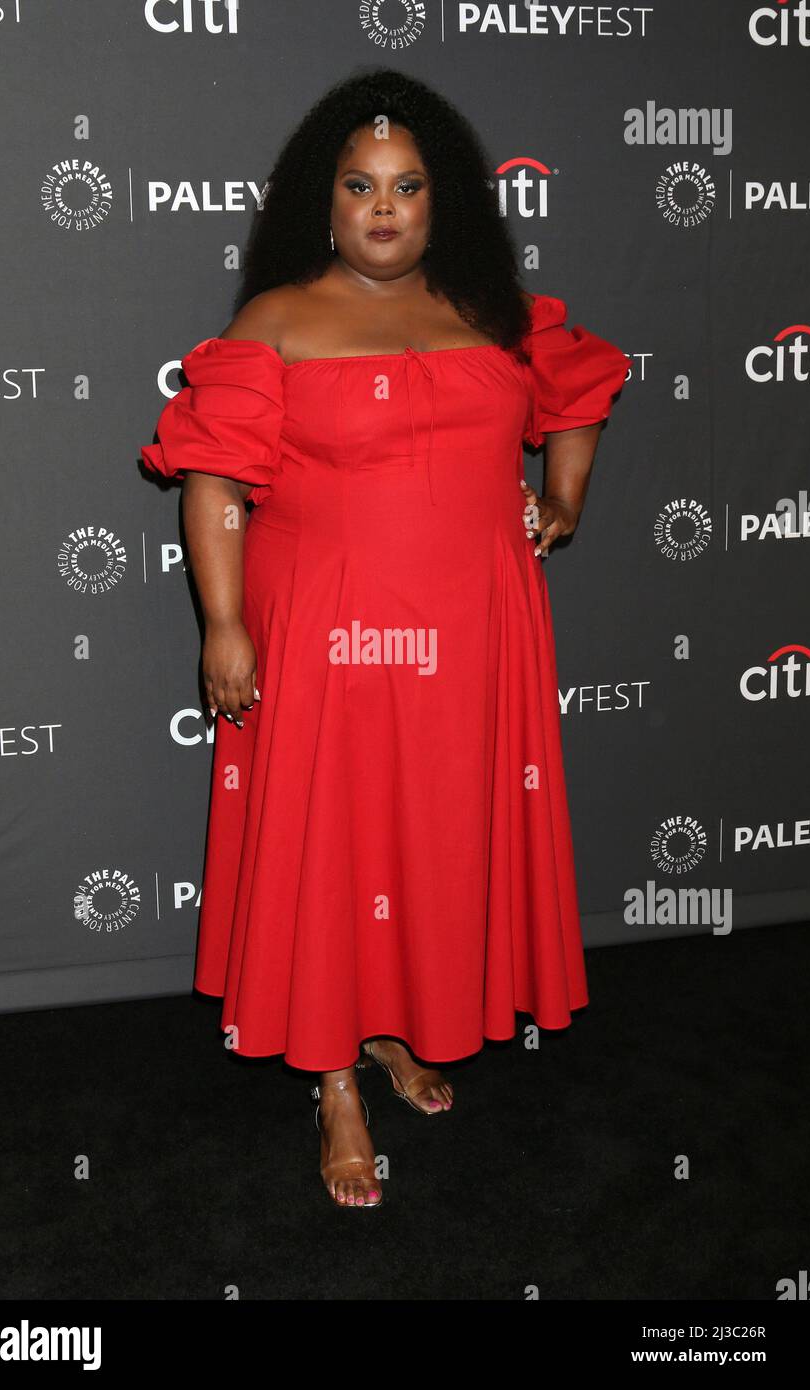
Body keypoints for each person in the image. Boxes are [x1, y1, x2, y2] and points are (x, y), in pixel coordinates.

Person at [140, 68, 629, 1210]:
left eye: (406, 187)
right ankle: (334, 1084)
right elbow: (211, 475)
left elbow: (576, 386)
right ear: (323, 198)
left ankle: (393, 1027)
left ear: (439, 199)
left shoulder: (490, 313)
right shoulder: (275, 322)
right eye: (358, 185)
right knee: (333, 847)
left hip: (473, 632)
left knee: (428, 837)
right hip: (325, 632)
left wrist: (561, 500)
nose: (382, 208)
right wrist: (222, 624)